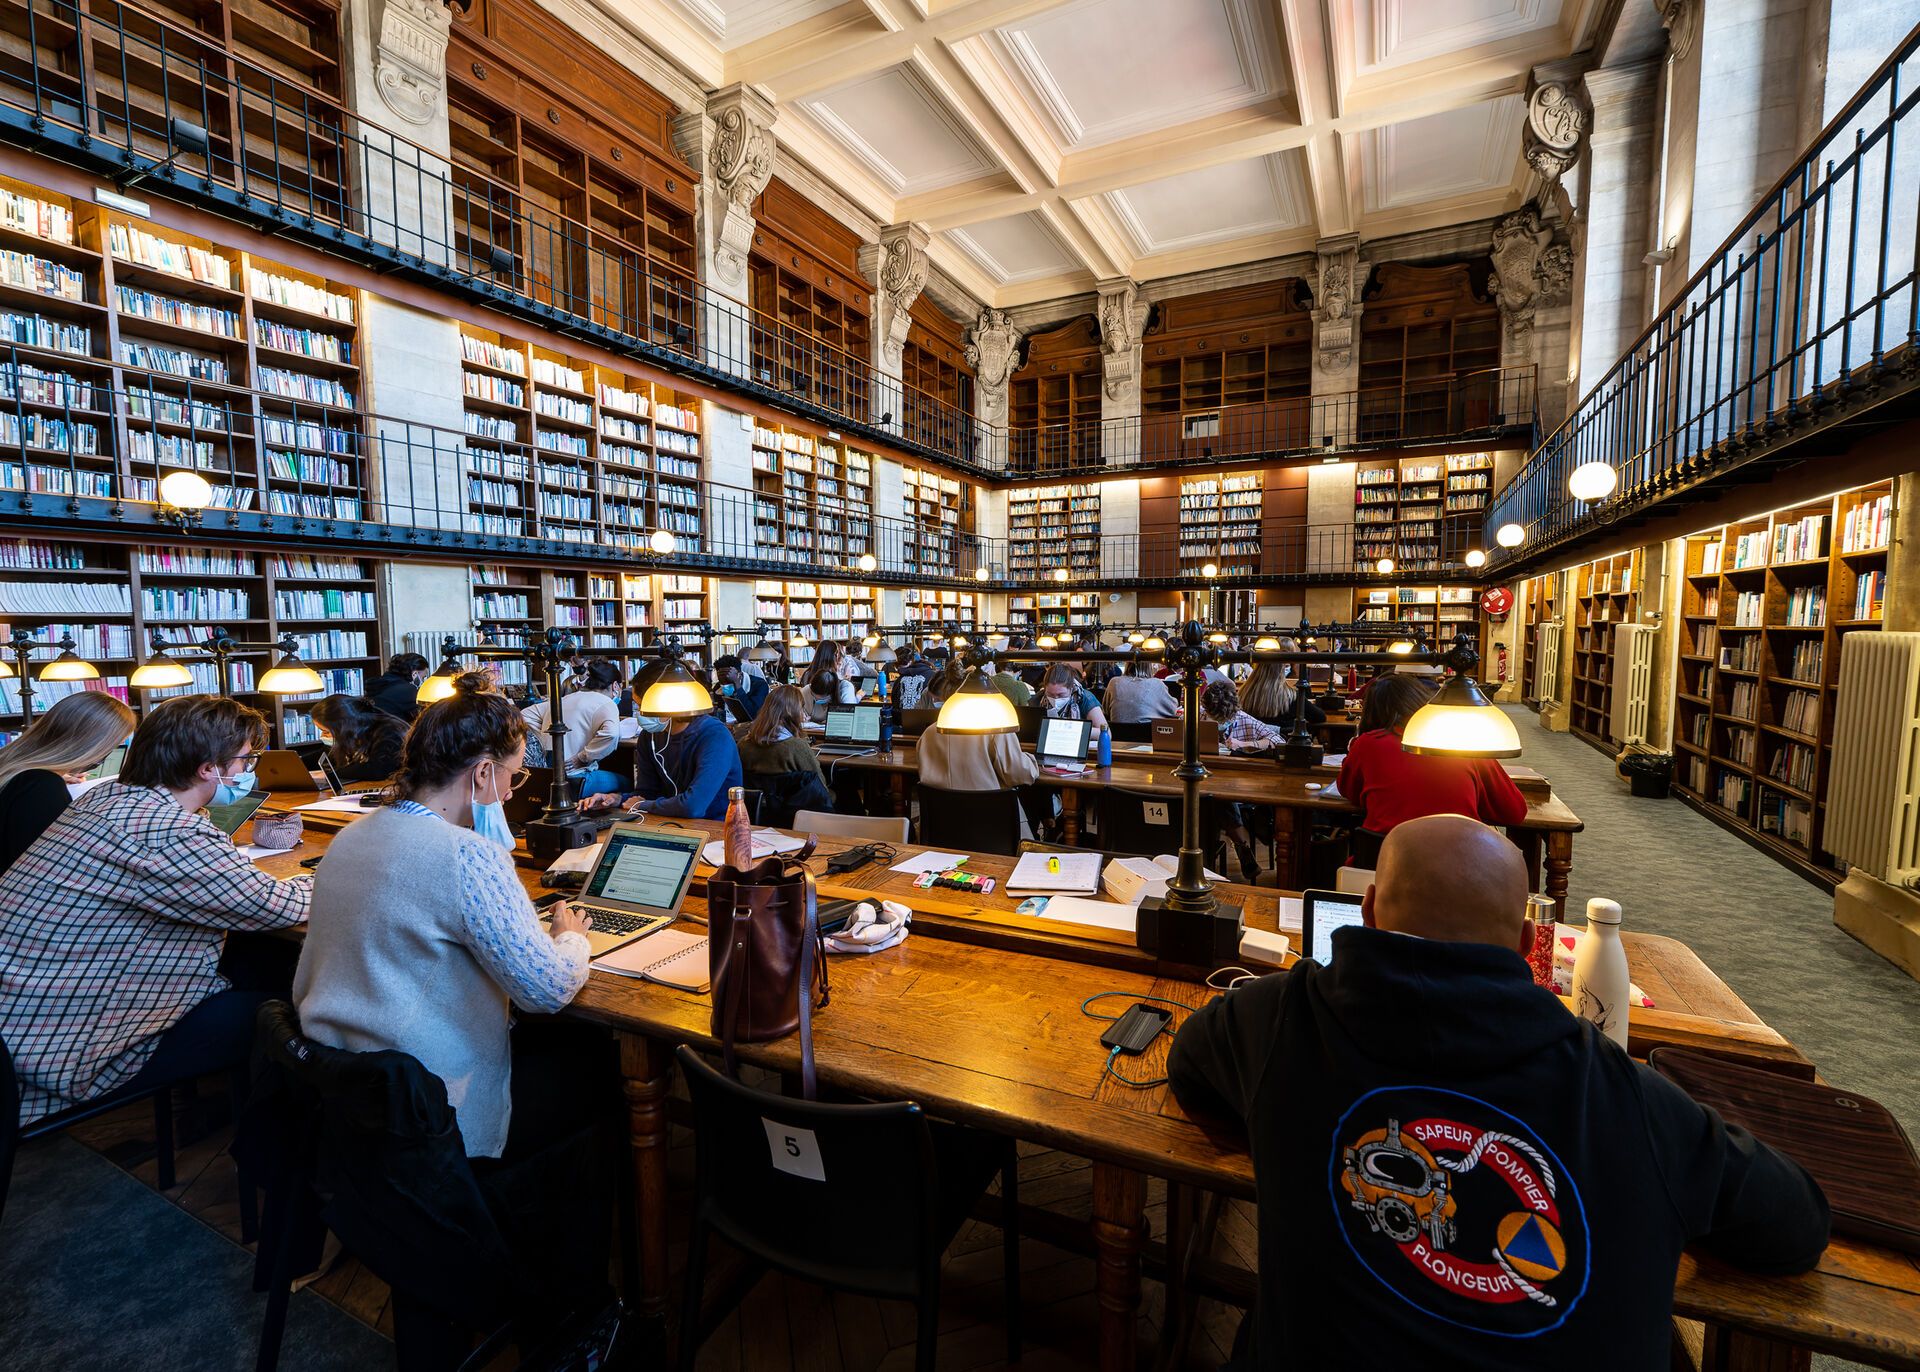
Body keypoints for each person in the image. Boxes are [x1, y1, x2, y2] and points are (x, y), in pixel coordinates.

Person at [1167, 814, 1829, 1370]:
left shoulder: (1280, 1018)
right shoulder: (1631, 1099)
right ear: (1524, 944)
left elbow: (1190, 1062)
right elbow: (1795, 1224)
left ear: (1368, 910)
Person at [293, 673, 614, 1306]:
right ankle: (567, 1293)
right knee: (599, 1069)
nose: (513, 791)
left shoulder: (353, 834)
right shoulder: (466, 856)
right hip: (430, 1111)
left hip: (347, 1088)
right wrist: (572, 936)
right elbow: (546, 990)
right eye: (516, 778)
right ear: (484, 774)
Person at [0, 694, 311, 1124]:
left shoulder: (109, 797)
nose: (246, 771)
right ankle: (270, 1145)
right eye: (245, 760)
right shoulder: (164, 830)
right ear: (208, 769)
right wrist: (334, 874)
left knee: (260, 960)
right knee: (291, 1004)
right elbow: (280, 906)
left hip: (23, 1016)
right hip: (60, 1048)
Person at [1338, 675, 1527, 857]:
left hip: (1383, 869)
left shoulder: (1368, 744)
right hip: (1460, 871)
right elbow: (1514, 811)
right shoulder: (1465, 741)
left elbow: (1348, 790)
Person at [0, 689, 137, 875]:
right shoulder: (42, 787)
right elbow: (49, 863)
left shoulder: (14, 768)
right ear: (91, 746)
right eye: (111, 747)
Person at [584, 700, 744, 820]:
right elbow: (646, 793)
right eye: (638, 705)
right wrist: (617, 799)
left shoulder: (715, 735)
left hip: (714, 829)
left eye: (644, 705)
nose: (640, 712)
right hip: (667, 823)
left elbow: (693, 807)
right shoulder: (649, 736)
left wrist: (642, 805)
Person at [916, 716, 1041, 838]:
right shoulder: (998, 729)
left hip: (938, 833)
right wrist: (1031, 760)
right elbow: (1021, 774)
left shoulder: (929, 733)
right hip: (995, 832)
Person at [520, 658, 624, 797]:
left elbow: (524, 715)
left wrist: (546, 734)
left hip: (549, 776)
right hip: (577, 778)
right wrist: (583, 757)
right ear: (615, 686)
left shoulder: (563, 699)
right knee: (627, 783)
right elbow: (612, 734)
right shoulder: (607, 703)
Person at [733, 684, 832, 821]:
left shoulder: (743, 745)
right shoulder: (797, 747)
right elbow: (821, 786)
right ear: (794, 712)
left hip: (756, 814)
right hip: (796, 817)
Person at [308, 693, 405, 785]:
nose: (322, 736)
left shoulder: (390, 733)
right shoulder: (356, 732)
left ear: (343, 728)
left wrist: (331, 774)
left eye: (326, 731)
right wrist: (298, 764)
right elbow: (327, 754)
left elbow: (376, 770)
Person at [1239, 649, 1326, 730]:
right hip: (1285, 743)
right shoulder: (1292, 697)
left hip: (1250, 744)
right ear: (1281, 671)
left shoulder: (1244, 693)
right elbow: (1320, 717)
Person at [1039, 664, 1108, 735]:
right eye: (1050, 694)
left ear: (1071, 688)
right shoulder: (1041, 699)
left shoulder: (1086, 698)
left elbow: (1106, 733)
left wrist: (1073, 729)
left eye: (1061, 695)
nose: (1055, 698)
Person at [1103, 660, 1179, 724]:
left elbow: (1106, 711)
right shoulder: (1156, 683)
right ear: (1149, 666)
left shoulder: (1114, 682)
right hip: (1149, 738)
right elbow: (1172, 709)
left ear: (1127, 664)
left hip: (1116, 738)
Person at [364, 651, 430, 721]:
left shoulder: (379, 682)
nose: (422, 681)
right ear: (414, 674)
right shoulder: (408, 690)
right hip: (393, 729)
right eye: (423, 677)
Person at [712, 653, 768, 725]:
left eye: (729, 681)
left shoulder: (759, 685)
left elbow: (752, 714)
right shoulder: (718, 687)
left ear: (740, 675)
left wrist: (737, 684)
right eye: (722, 681)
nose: (725, 684)